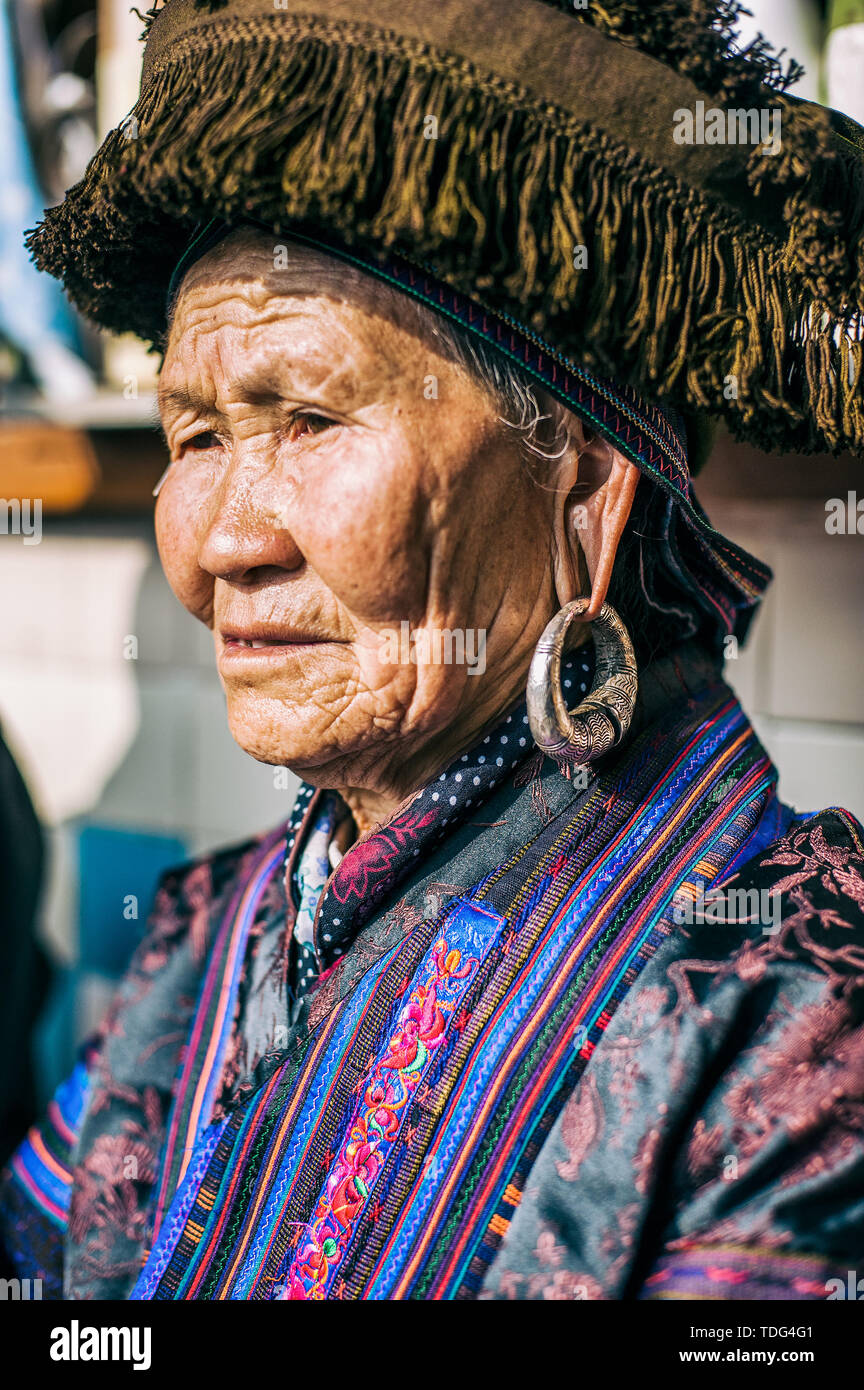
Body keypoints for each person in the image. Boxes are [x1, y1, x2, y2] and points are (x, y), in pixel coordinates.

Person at [3, 0, 863, 1300]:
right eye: (195, 433)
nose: (224, 543)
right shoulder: (202, 939)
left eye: (306, 418)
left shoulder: (787, 1013)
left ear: (583, 492)